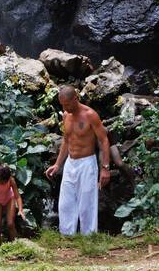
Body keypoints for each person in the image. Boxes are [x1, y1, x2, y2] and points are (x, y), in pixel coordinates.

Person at [45, 86, 111, 236]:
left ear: (76, 99)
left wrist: (105, 167)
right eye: (62, 104)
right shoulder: (66, 116)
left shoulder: (90, 115)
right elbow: (66, 141)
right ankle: (67, 236)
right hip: (70, 162)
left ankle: (89, 237)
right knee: (65, 202)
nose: (65, 107)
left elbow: (104, 140)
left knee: (87, 203)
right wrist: (57, 164)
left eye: (67, 104)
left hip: (87, 163)